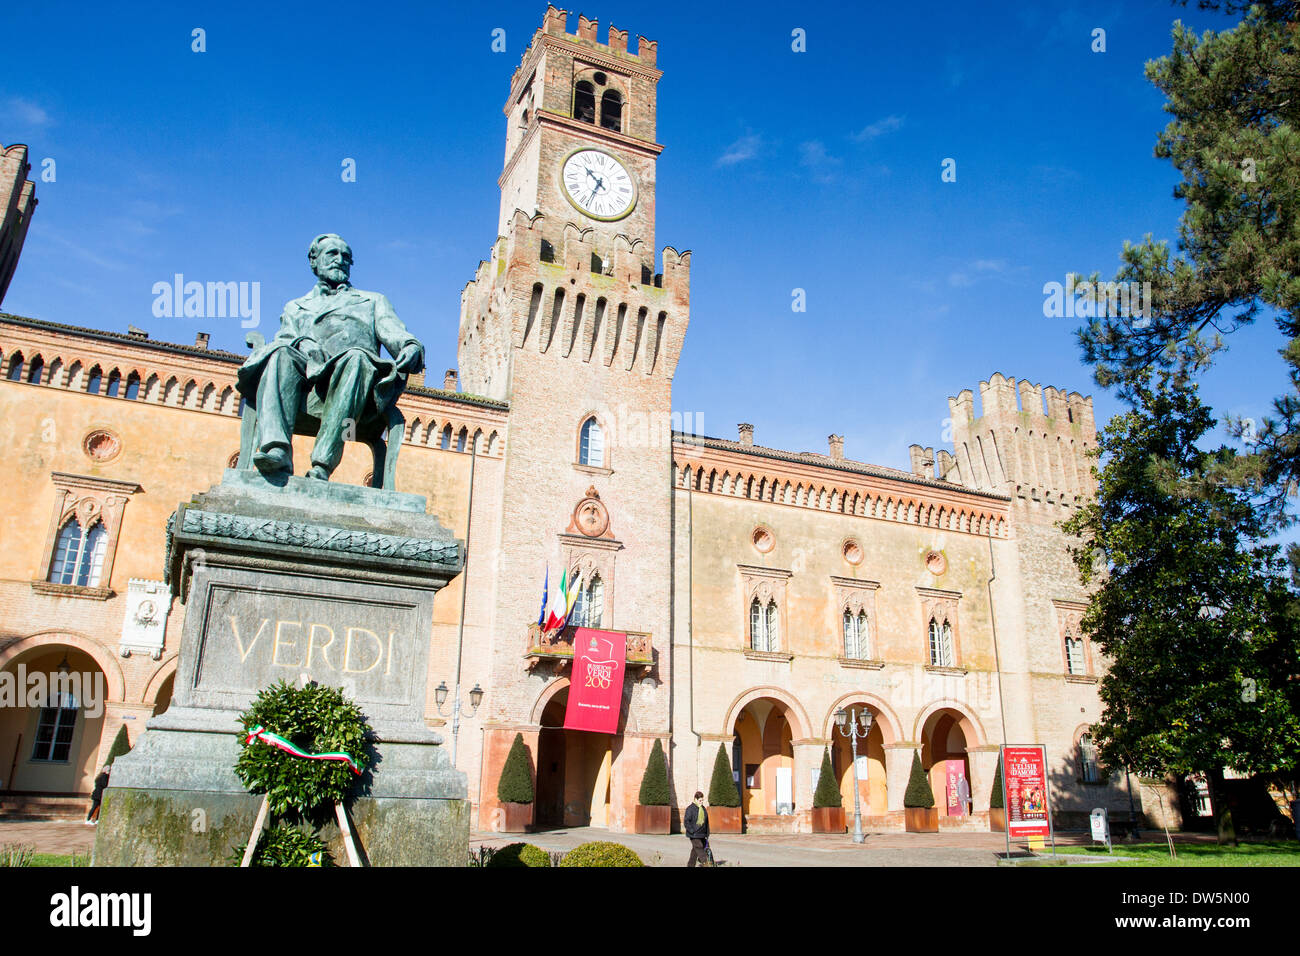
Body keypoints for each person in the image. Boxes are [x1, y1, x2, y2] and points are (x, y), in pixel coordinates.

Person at [236, 234, 425, 481]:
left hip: (357, 400)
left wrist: (410, 346)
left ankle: (322, 464)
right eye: (332, 254)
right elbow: (284, 338)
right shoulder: (296, 306)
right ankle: (277, 449)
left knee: (357, 358)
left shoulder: (372, 301)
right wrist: (303, 343)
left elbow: (396, 333)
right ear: (314, 261)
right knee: (280, 353)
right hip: (308, 391)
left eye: (346, 256)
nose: (340, 260)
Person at [684, 790, 711, 867]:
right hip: (694, 834)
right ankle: (707, 864)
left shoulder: (703, 809)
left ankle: (690, 865)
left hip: (702, 834)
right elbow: (686, 821)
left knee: (695, 851)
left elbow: (706, 822)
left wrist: (707, 833)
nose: (701, 802)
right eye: (700, 800)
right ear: (695, 799)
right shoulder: (690, 809)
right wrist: (692, 830)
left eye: (702, 800)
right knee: (699, 849)